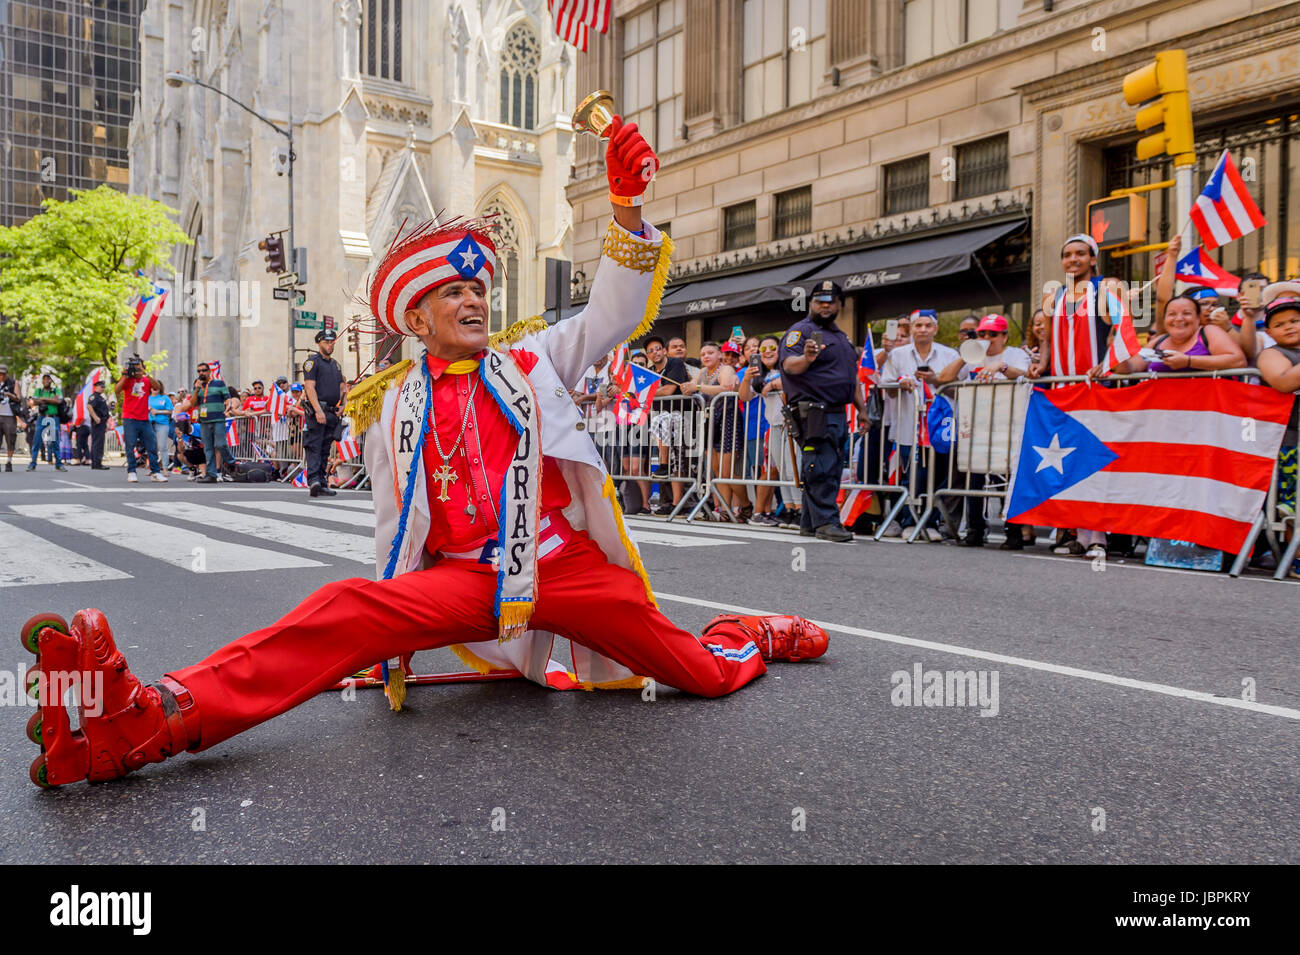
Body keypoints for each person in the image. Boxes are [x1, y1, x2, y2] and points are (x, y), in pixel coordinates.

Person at [20, 116, 829, 789]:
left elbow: (612, 316)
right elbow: (392, 528)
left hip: (568, 565)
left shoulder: (532, 357)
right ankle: (147, 719)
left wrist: (623, 213)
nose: (476, 299)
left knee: (694, 673)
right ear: (418, 318)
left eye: (480, 290)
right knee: (340, 612)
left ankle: (749, 635)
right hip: (465, 579)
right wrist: (385, 644)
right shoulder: (392, 404)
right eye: (456, 292)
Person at [779, 280, 868, 542]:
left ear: (840, 304)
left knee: (827, 465)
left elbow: (850, 378)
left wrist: (862, 409)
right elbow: (789, 366)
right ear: (811, 303)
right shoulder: (801, 331)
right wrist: (807, 358)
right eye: (820, 301)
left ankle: (810, 522)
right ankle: (827, 522)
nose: (825, 306)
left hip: (838, 410)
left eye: (831, 301)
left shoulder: (841, 337)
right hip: (814, 411)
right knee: (820, 467)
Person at [937, 315, 1032, 547]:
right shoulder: (972, 356)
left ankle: (1014, 531)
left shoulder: (1015, 354)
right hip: (977, 427)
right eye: (982, 334)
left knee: (1009, 478)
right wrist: (965, 354)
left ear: (1005, 336)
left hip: (1009, 426)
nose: (987, 339)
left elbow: (1028, 375)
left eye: (993, 334)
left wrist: (1001, 365)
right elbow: (943, 379)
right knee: (974, 476)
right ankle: (976, 529)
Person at [877, 309, 958, 539]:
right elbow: (886, 389)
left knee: (938, 474)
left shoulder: (949, 354)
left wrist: (935, 380)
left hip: (939, 426)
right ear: (911, 329)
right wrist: (900, 385)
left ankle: (931, 522)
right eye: (918, 325)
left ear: (936, 329)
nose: (923, 329)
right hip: (907, 425)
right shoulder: (898, 355)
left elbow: (960, 389)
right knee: (912, 474)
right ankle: (909, 521)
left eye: (927, 325)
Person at [1256, 282, 1300, 577]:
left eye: (1295, 320)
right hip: (1291, 441)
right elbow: (1283, 381)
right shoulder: (1271, 354)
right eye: (1280, 324)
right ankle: (1294, 555)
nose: (1289, 327)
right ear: (1269, 332)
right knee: (1292, 506)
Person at [737, 336, 791, 525]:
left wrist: (773, 384)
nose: (767, 351)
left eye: (772, 347)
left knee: (782, 470)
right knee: (769, 470)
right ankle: (760, 512)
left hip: (788, 426)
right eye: (763, 348)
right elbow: (744, 396)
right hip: (767, 428)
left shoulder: (787, 368)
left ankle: (782, 510)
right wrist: (746, 378)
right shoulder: (758, 374)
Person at [643, 335, 692, 515]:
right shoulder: (648, 372)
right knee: (666, 464)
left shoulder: (674, 364)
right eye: (650, 351)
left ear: (664, 351)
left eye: (657, 348)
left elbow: (669, 390)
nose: (654, 352)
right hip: (661, 421)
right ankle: (666, 501)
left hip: (681, 417)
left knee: (676, 460)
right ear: (647, 355)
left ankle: (677, 503)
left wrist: (648, 393)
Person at [302, 329, 346, 498]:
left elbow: (343, 388)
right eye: (326, 342)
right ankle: (314, 480)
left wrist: (343, 404)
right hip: (318, 411)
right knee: (314, 446)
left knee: (325, 448)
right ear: (319, 343)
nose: (330, 345)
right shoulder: (312, 362)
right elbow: (310, 387)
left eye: (332, 342)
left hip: (331, 413)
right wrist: (318, 410)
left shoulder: (335, 364)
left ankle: (321, 481)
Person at [114, 355, 168, 484]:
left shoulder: (146, 379)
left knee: (151, 445)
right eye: (135, 368)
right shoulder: (127, 379)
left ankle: (156, 472)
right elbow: (117, 390)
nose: (137, 371)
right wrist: (125, 375)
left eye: (139, 368)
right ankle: (131, 472)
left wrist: (145, 373)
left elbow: (156, 387)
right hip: (130, 418)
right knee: (130, 445)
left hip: (144, 418)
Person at [179, 362, 234, 483]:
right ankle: (211, 474)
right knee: (208, 448)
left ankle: (232, 462)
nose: (201, 373)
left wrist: (228, 407)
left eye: (203, 370)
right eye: (199, 371)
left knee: (220, 444)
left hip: (218, 418)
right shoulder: (197, 386)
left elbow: (227, 398)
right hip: (204, 421)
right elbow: (193, 404)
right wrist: (197, 389)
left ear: (209, 372)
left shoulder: (219, 383)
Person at [28, 374, 66, 472]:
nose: (46, 380)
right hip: (42, 417)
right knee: (37, 441)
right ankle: (33, 463)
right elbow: (33, 401)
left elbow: (58, 401)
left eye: (48, 379)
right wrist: (50, 400)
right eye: (44, 379)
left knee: (55, 441)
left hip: (54, 418)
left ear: (50, 381)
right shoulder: (39, 390)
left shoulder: (56, 390)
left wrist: (43, 399)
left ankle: (58, 464)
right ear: (42, 381)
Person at [148, 379, 175, 471]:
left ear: (160, 387)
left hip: (162, 424)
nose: (155, 388)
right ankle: (153, 469)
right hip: (148, 424)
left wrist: (158, 411)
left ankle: (165, 468)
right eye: (153, 386)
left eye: (157, 386)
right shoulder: (147, 397)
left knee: (162, 446)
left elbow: (170, 411)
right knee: (151, 447)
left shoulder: (165, 398)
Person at [0, 364, 19, 472]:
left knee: (10, 439)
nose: (1, 376)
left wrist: (9, 395)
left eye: (3, 374)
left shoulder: (13, 383)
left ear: (7, 374)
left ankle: (9, 461)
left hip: (9, 416)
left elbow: (18, 398)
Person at [87, 379, 110, 470]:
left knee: (99, 442)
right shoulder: (94, 397)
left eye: (104, 387)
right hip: (98, 423)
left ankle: (96, 463)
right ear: (96, 387)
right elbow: (89, 406)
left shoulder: (100, 397)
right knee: (98, 443)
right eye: (101, 386)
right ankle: (97, 463)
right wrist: (95, 417)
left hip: (102, 422)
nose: (103, 388)